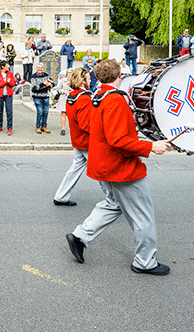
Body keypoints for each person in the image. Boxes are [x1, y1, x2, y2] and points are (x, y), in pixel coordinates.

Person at [66, 59, 171, 275]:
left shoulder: (97, 96)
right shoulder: (115, 99)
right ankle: (145, 261)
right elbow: (118, 140)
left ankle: (80, 236)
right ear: (119, 76)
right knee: (143, 216)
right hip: (120, 168)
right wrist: (150, 146)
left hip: (104, 165)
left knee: (113, 204)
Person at [53, 67, 92, 206]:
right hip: (87, 141)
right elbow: (86, 124)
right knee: (102, 172)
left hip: (76, 139)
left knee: (74, 170)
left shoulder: (71, 95)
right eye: (88, 78)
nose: (90, 80)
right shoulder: (85, 97)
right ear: (82, 81)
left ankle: (61, 196)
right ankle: (114, 200)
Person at [0, 61, 16, 135]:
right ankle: (0, 126)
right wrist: (5, 82)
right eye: (7, 65)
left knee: (9, 111)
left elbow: (13, 84)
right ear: (2, 66)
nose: (8, 66)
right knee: (0, 111)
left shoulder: (10, 73)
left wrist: (9, 82)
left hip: (8, 95)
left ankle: (9, 128)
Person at [30, 63, 52, 134]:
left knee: (46, 112)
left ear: (43, 68)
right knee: (40, 111)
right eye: (38, 67)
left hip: (45, 96)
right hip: (37, 97)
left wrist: (48, 85)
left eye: (41, 68)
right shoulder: (33, 76)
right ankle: (38, 126)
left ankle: (44, 126)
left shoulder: (46, 75)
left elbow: (52, 84)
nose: (40, 69)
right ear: (36, 68)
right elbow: (34, 88)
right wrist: (43, 84)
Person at [54, 68, 73, 135]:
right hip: (64, 98)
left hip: (72, 98)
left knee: (72, 115)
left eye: (70, 72)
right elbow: (58, 88)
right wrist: (63, 91)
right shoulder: (63, 80)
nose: (69, 74)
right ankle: (63, 129)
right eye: (68, 72)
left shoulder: (75, 81)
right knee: (63, 114)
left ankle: (72, 129)